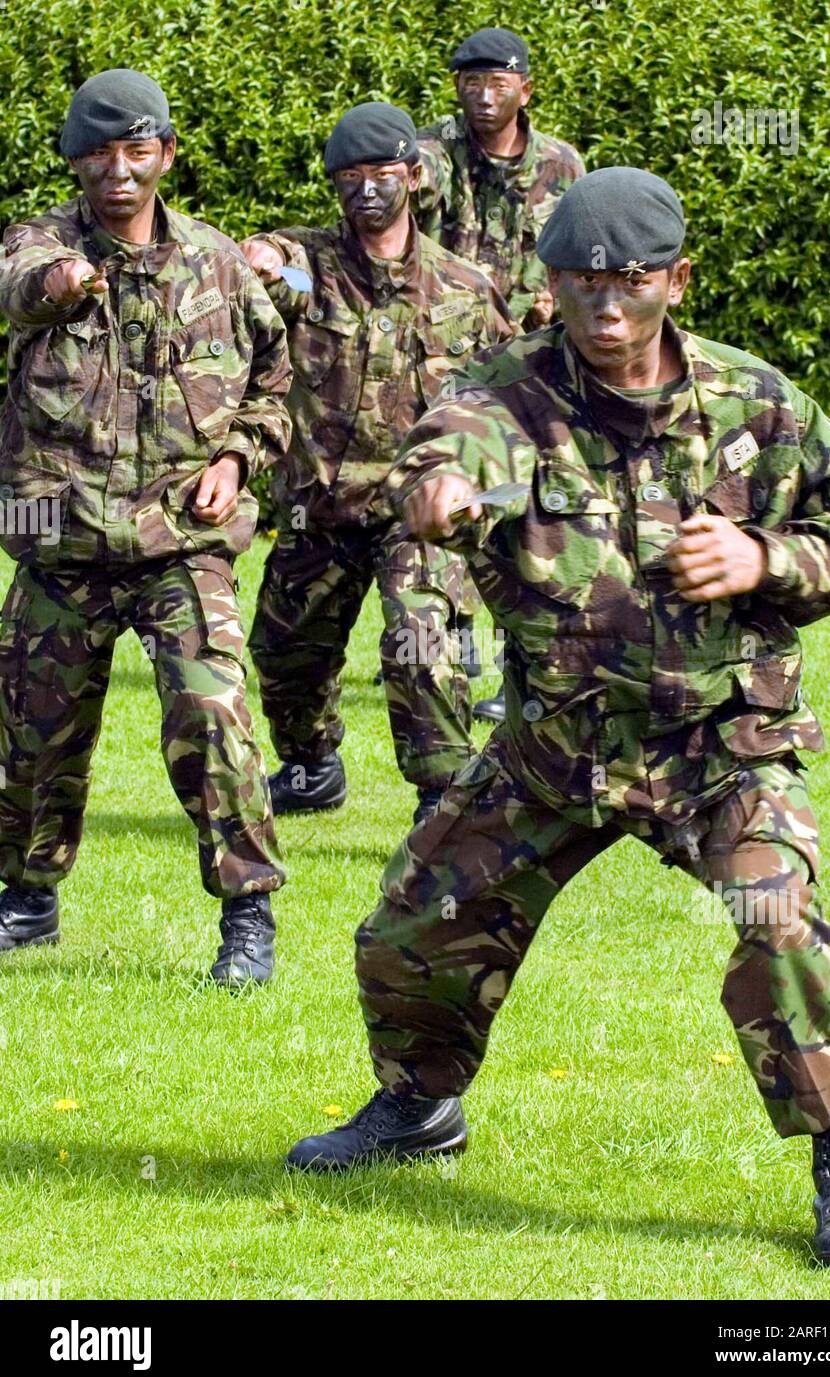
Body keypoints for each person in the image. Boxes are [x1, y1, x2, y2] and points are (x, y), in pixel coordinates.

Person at [284, 167, 830, 1266]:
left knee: (777, 925)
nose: (605, 308)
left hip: (720, 745)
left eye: (630, 283)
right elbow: (449, 444)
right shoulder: (512, 391)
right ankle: (419, 1107)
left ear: (676, 280)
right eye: (579, 283)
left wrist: (771, 554)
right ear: (550, 284)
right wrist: (440, 492)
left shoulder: (755, 402)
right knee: (412, 929)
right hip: (557, 746)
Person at [0, 69, 291, 987]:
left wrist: (236, 460)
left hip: (180, 542)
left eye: (137, 149)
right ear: (76, 162)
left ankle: (248, 915)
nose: (118, 170)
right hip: (60, 539)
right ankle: (27, 897)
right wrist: (65, 279)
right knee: (32, 734)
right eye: (98, 152)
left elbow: (274, 388)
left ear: (165, 154)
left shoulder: (218, 266)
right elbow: (18, 287)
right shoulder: (38, 242)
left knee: (212, 712)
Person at [241, 103, 515, 826]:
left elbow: (512, 392)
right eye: (349, 177)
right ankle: (311, 766)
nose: (366, 189)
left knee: (421, 636)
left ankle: (442, 797)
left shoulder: (464, 286)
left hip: (417, 512)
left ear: (414, 177)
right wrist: (266, 256)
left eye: (381, 174)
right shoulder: (313, 273)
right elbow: (277, 268)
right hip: (320, 508)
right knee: (284, 652)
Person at [415, 25, 587, 725]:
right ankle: (459, 659)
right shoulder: (432, 153)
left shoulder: (561, 165)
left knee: (538, 518)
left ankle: (532, 665)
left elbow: (579, 248)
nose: (483, 96)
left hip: (533, 365)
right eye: (470, 81)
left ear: (525, 88)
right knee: (454, 513)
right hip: (445, 365)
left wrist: (561, 302)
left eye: (497, 82)